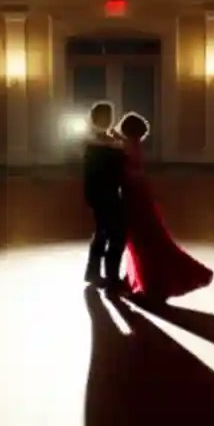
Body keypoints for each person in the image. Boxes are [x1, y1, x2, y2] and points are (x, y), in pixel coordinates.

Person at [115, 112, 213, 302]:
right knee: (145, 242)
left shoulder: (129, 148)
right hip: (138, 196)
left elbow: (131, 173)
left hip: (134, 199)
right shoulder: (133, 145)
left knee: (142, 242)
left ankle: (149, 284)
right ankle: (138, 281)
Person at [82, 101, 128, 290]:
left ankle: (101, 273)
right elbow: (94, 173)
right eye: (104, 116)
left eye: (109, 116)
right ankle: (107, 275)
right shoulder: (94, 143)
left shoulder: (109, 140)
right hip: (103, 194)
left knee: (109, 233)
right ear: (95, 118)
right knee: (111, 234)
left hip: (110, 193)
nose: (108, 120)